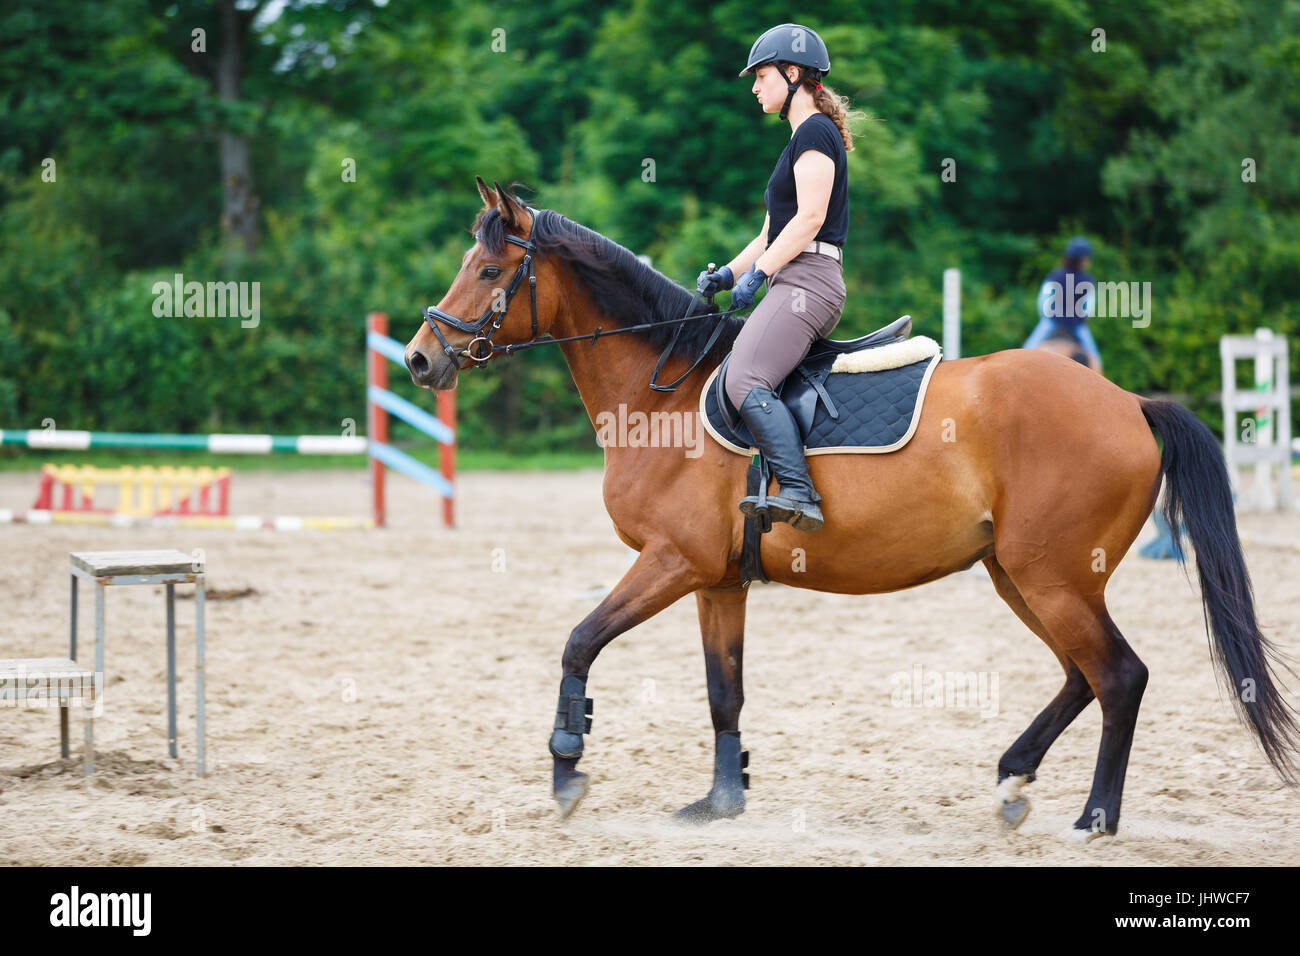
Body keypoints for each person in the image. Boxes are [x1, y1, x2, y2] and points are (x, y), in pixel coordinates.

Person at [697, 23, 852, 532]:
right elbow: (769, 234)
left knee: (743, 378)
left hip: (810, 282)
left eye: (761, 75)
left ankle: (800, 493)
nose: (754, 87)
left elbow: (809, 219)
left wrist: (759, 277)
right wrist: (729, 273)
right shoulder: (796, 143)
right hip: (795, 277)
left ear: (793, 74)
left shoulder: (814, 133)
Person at [1023, 237, 1102, 366]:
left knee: (1025, 350)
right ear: (1082, 259)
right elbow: (1089, 309)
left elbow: (1043, 302)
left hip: (1052, 321)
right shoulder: (1087, 280)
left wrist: (1048, 316)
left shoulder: (1054, 276)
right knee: (1096, 360)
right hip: (1077, 325)